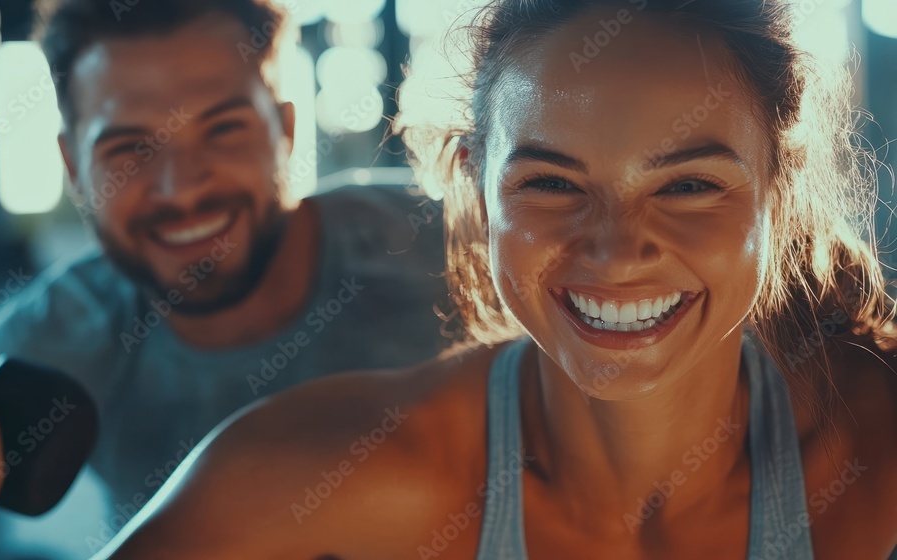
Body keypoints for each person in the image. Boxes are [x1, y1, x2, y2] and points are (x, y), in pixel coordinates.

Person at [90, 0, 897, 558]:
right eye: (551, 183)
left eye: (687, 185)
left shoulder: (878, 448)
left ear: (779, 190)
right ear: (476, 190)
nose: (617, 252)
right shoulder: (324, 468)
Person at [0, 0, 452, 556]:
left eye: (223, 129)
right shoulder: (46, 341)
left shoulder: (458, 249)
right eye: (128, 148)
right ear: (74, 167)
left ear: (286, 129)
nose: (181, 188)